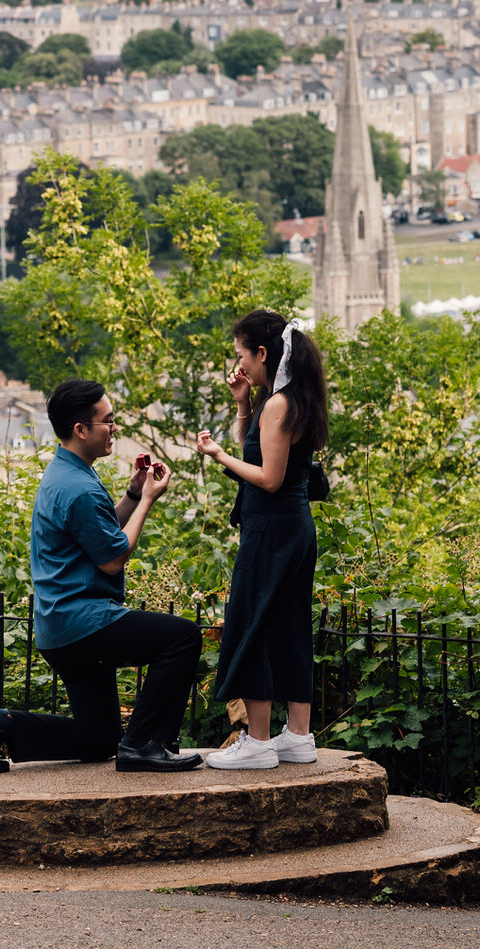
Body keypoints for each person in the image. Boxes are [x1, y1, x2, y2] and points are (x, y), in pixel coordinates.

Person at [0, 378, 204, 773]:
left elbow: (100, 537)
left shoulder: (66, 472)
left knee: (99, 739)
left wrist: (129, 494)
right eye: (108, 421)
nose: (114, 428)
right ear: (81, 429)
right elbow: (113, 558)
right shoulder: (79, 488)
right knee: (182, 638)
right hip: (83, 623)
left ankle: (0, 724)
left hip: (59, 629)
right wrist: (146, 501)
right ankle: (144, 743)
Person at [193, 310, 328, 770]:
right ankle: (298, 737)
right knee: (290, 624)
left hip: (271, 529)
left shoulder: (279, 405)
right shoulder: (290, 400)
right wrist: (241, 403)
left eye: (242, 356)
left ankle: (258, 742)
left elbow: (267, 477)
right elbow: (262, 450)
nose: (240, 364)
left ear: (263, 353)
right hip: (295, 527)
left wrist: (217, 454)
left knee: (252, 624)